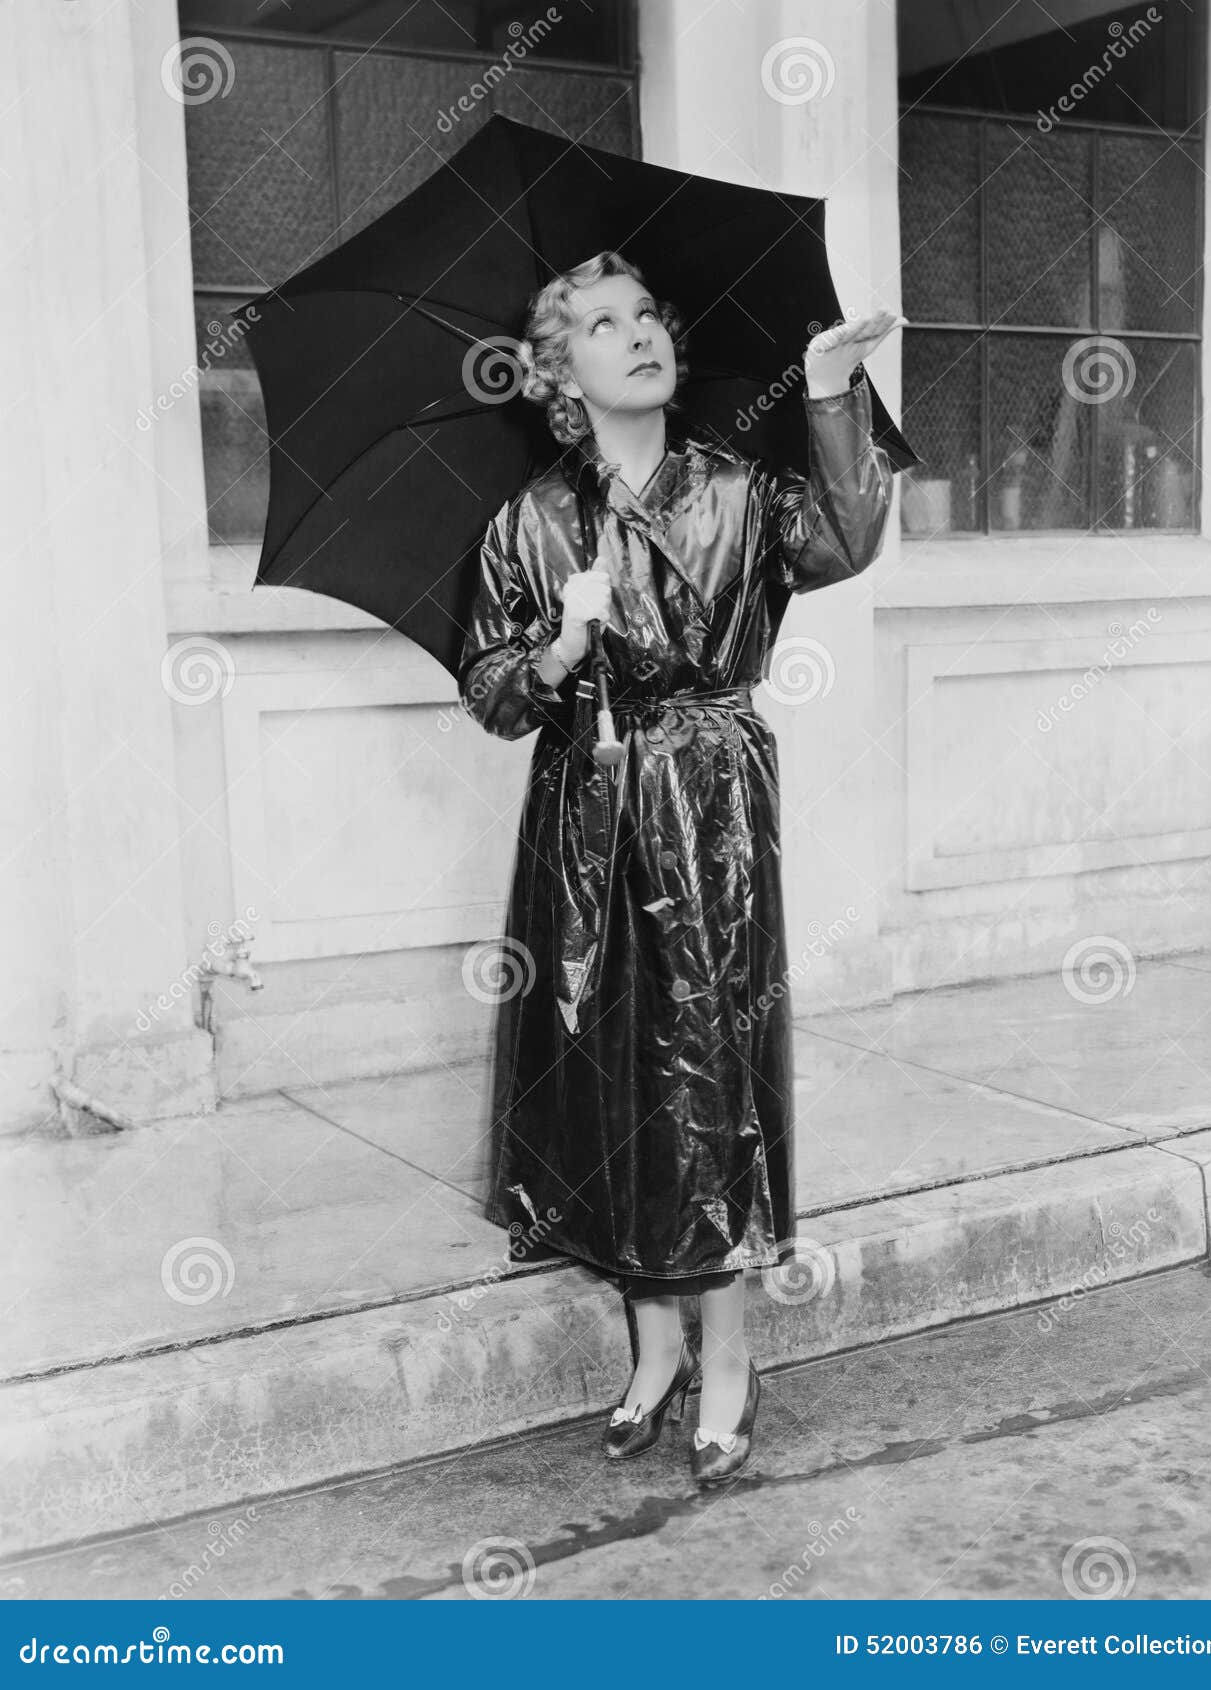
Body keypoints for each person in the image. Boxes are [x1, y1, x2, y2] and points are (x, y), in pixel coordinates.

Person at [457, 249, 898, 1486]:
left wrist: (826, 391)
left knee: (705, 1067)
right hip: (584, 814)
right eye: (602, 323)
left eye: (649, 311)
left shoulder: (741, 491)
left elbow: (848, 538)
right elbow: (490, 694)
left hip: (707, 800)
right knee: (602, 1067)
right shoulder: (532, 522)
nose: (638, 333)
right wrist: (557, 650)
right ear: (560, 373)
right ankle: (650, 1352)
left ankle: (729, 1355)